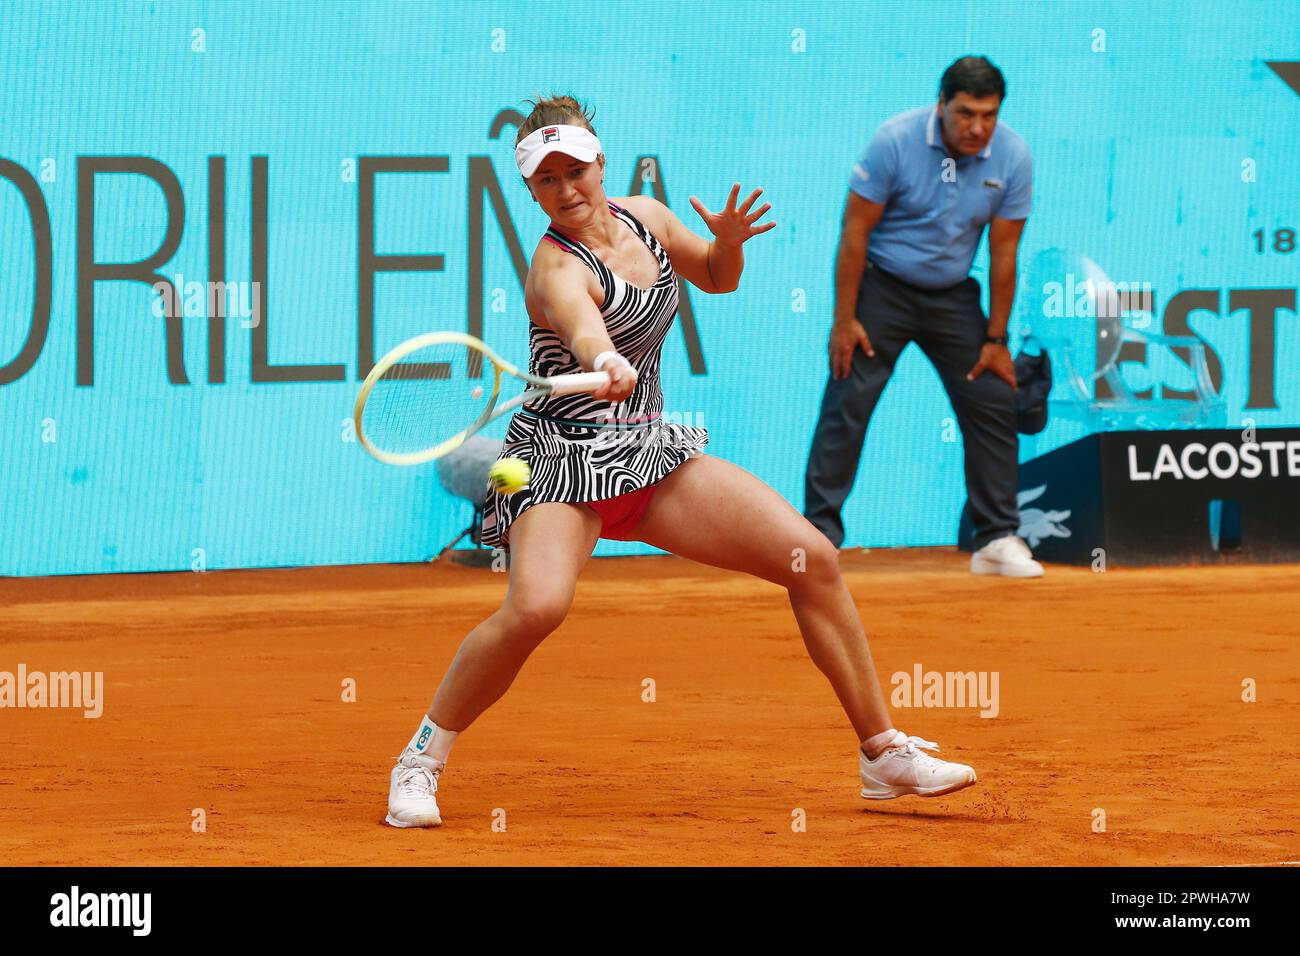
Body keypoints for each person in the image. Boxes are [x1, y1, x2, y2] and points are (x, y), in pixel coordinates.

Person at [385, 95, 978, 829]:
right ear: (531, 190)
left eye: (576, 171)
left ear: (601, 162)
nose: (566, 190)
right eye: (547, 181)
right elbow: (580, 322)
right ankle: (420, 761)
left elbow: (716, 276)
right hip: (559, 467)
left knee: (810, 558)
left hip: (645, 450)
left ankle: (882, 755)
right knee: (537, 608)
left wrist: (727, 243)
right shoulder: (553, 269)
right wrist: (602, 357)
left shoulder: (648, 216)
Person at [804, 56, 1044, 577]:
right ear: (941, 105)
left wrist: (996, 338)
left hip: (954, 296)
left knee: (992, 393)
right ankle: (818, 538)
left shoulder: (1014, 156)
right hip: (882, 289)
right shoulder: (894, 140)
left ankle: (996, 538)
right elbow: (854, 233)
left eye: (988, 115)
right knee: (849, 398)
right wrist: (844, 319)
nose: (977, 127)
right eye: (965, 114)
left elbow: (1005, 253)